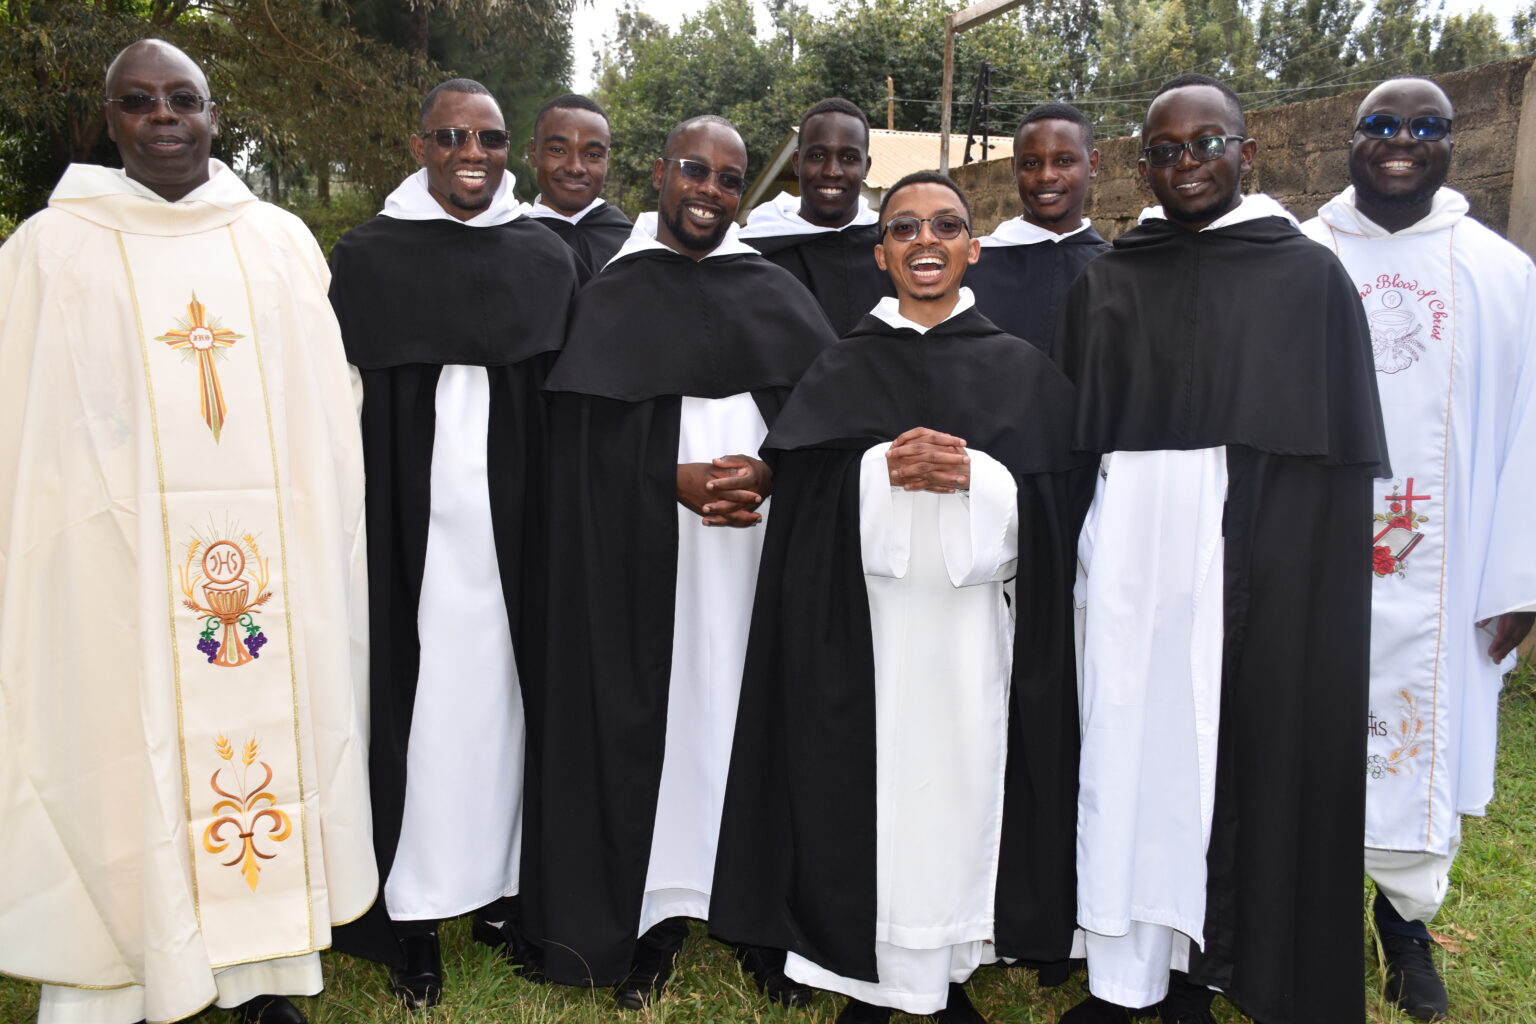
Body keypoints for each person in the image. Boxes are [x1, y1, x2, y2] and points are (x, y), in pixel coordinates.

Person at [0, 39, 373, 1024]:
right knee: (122, 754)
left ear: (215, 115)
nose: (162, 118)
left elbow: (324, 411)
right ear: (110, 121)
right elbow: (28, 419)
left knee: (269, 753)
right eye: (138, 102)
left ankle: (266, 977)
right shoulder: (52, 248)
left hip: (265, 578)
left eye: (182, 99)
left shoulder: (278, 240)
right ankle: (109, 982)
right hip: (114, 569)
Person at [710, 171, 1092, 1024]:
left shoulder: (1022, 372)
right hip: (866, 636)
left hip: (972, 639)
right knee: (868, 794)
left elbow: (1062, 513)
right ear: (880, 253)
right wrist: (874, 475)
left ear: (973, 249)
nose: (927, 241)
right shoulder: (839, 366)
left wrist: (980, 480)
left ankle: (947, 967)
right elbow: (801, 507)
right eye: (906, 228)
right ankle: (870, 975)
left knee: (959, 790)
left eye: (946, 226)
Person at [1056, 74, 1389, 1024]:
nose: (1187, 164)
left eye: (1207, 145)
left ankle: (1212, 969)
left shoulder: (1307, 275)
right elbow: (1072, 447)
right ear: (1142, 165)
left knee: (1229, 753)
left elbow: (1328, 472)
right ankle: (1126, 973)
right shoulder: (1110, 278)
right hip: (1125, 563)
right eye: (1165, 150)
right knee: (1124, 745)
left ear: (1250, 154)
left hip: (1251, 567)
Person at [525, 114, 837, 1011]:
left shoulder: (772, 291)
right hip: (643, 560)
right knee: (660, 716)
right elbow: (573, 453)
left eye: (730, 179)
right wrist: (669, 478)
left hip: (753, 561)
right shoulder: (611, 296)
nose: (709, 190)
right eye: (694, 170)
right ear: (662, 173)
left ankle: (760, 917)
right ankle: (656, 914)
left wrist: (770, 470)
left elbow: (825, 419)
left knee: (750, 708)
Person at [326, 79, 582, 1010]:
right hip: (410, 530)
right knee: (421, 709)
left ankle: (503, 893)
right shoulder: (367, 257)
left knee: (508, 705)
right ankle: (414, 913)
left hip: (516, 533)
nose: (472, 151)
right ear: (420, 143)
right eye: (451, 136)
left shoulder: (544, 256)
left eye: (490, 137)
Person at [1301, 76, 1536, 1023]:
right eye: (1382, 125)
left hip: (1448, 560)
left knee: (1421, 748)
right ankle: (1296, 917)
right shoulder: (1298, 256)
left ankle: (1404, 932)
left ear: (1453, 142)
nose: (1402, 141)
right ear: (1349, 140)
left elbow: (1530, 431)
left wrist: (1521, 574)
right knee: (1293, 733)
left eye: (1425, 127)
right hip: (1307, 561)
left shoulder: (1500, 273)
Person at [739, 97, 895, 335]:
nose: (832, 171)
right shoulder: (754, 255)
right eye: (817, 156)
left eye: (849, 158)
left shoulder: (892, 251)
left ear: (867, 167)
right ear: (796, 162)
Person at [966, 102, 1110, 354]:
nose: (1046, 176)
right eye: (1031, 163)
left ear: (1093, 163)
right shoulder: (973, 267)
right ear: (1014, 168)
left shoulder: (1114, 271)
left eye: (1064, 161)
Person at [524, 93, 633, 273]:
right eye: (558, 150)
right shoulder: (509, 240)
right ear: (534, 153)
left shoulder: (631, 244)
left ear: (607, 160)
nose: (575, 168)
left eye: (593, 155)